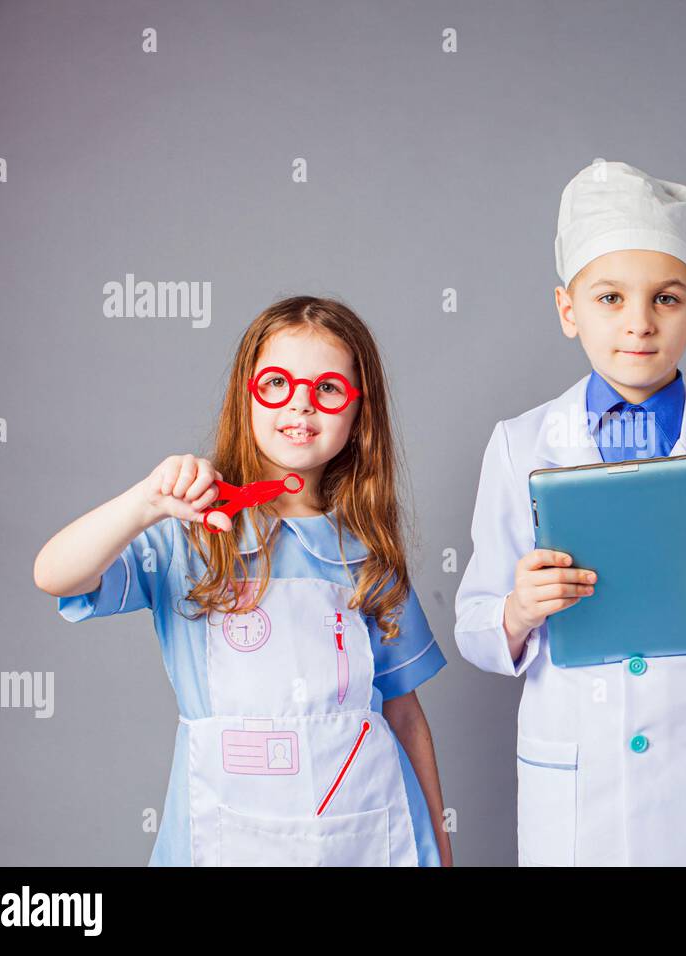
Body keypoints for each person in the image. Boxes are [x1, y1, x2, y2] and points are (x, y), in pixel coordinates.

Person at [455, 159, 686, 865]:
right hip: (578, 766)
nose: (639, 324)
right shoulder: (519, 446)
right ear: (567, 310)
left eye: (667, 299)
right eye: (610, 298)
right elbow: (474, 625)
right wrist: (520, 611)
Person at [34, 296, 450, 866]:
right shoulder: (190, 538)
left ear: (359, 412)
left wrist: (441, 850)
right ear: (245, 395)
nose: (301, 405)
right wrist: (145, 504)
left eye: (328, 388)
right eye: (277, 383)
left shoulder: (367, 554)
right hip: (225, 831)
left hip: (367, 835)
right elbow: (56, 574)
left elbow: (403, 711)